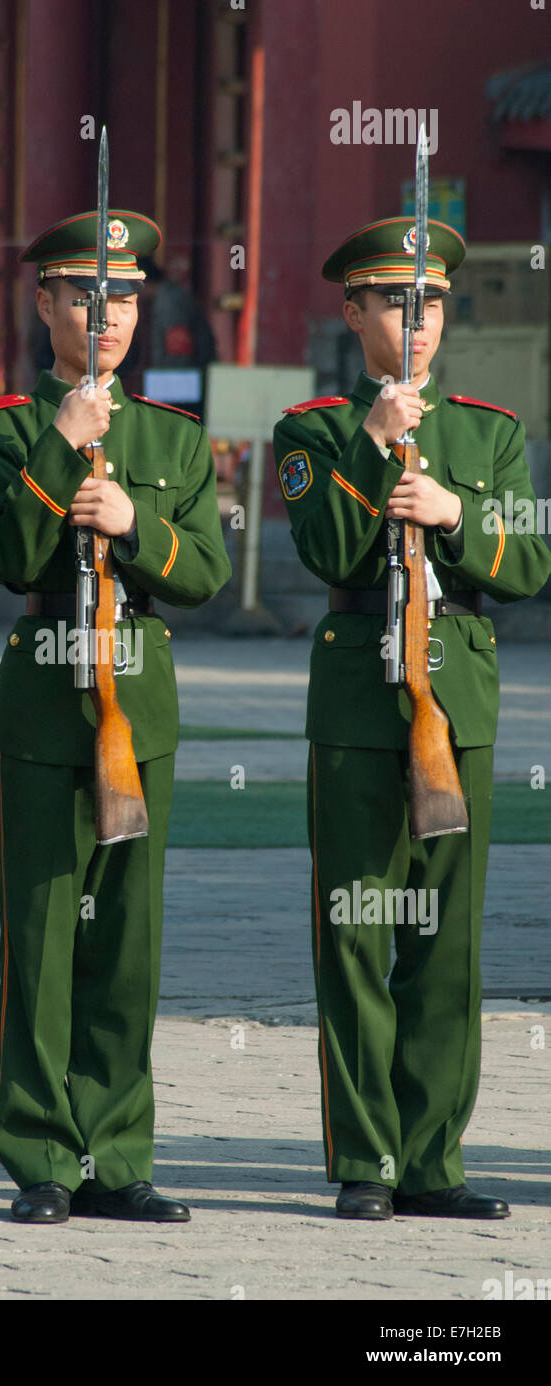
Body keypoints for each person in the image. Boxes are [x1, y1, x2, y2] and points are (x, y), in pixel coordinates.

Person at [0, 210, 231, 1224]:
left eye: (122, 295)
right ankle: (38, 1152)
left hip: (137, 692)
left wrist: (136, 524)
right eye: (82, 294)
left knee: (125, 935)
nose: (105, 315)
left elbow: (204, 571)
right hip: (41, 691)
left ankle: (118, 1153)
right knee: (39, 930)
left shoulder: (173, 438)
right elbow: (15, 559)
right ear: (43, 304)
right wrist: (64, 447)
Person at [273, 217, 551, 1220]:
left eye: (429, 301)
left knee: (446, 938)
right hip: (358, 700)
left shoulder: (489, 432)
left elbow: (525, 565)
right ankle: (364, 1159)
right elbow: (328, 552)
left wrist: (455, 515)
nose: (415, 319)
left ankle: (433, 1158)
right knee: (357, 926)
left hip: (458, 698)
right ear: (352, 313)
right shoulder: (313, 430)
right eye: (391, 300)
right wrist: (375, 443)